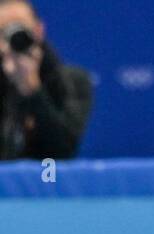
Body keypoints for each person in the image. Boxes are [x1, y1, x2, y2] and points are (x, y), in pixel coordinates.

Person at [0, 0, 92, 160]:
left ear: (39, 30)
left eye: (20, 27)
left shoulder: (73, 81)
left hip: (46, 182)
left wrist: (31, 88)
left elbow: (61, 151)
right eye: (3, 30)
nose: (13, 36)